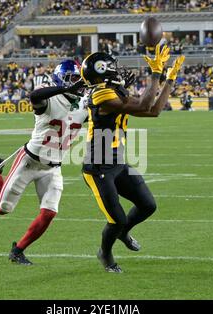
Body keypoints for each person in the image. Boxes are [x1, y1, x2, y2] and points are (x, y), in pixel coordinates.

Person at [80, 46, 185, 273]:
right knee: (116, 219)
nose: (117, 70)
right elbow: (146, 104)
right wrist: (155, 73)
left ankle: (123, 233)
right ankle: (105, 253)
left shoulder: (116, 91)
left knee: (148, 205)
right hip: (98, 167)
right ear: (101, 71)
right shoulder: (100, 93)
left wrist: (169, 78)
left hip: (117, 162)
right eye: (111, 66)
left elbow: (154, 110)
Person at [0, 60, 88, 265]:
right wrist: (64, 88)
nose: (77, 82)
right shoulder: (49, 98)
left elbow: (105, 111)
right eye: (72, 78)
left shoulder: (84, 103)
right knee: (2, 209)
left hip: (53, 168)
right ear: (61, 79)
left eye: (78, 79)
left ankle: (18, 250)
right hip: (29, 162)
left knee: (48, 213)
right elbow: (34, 97)